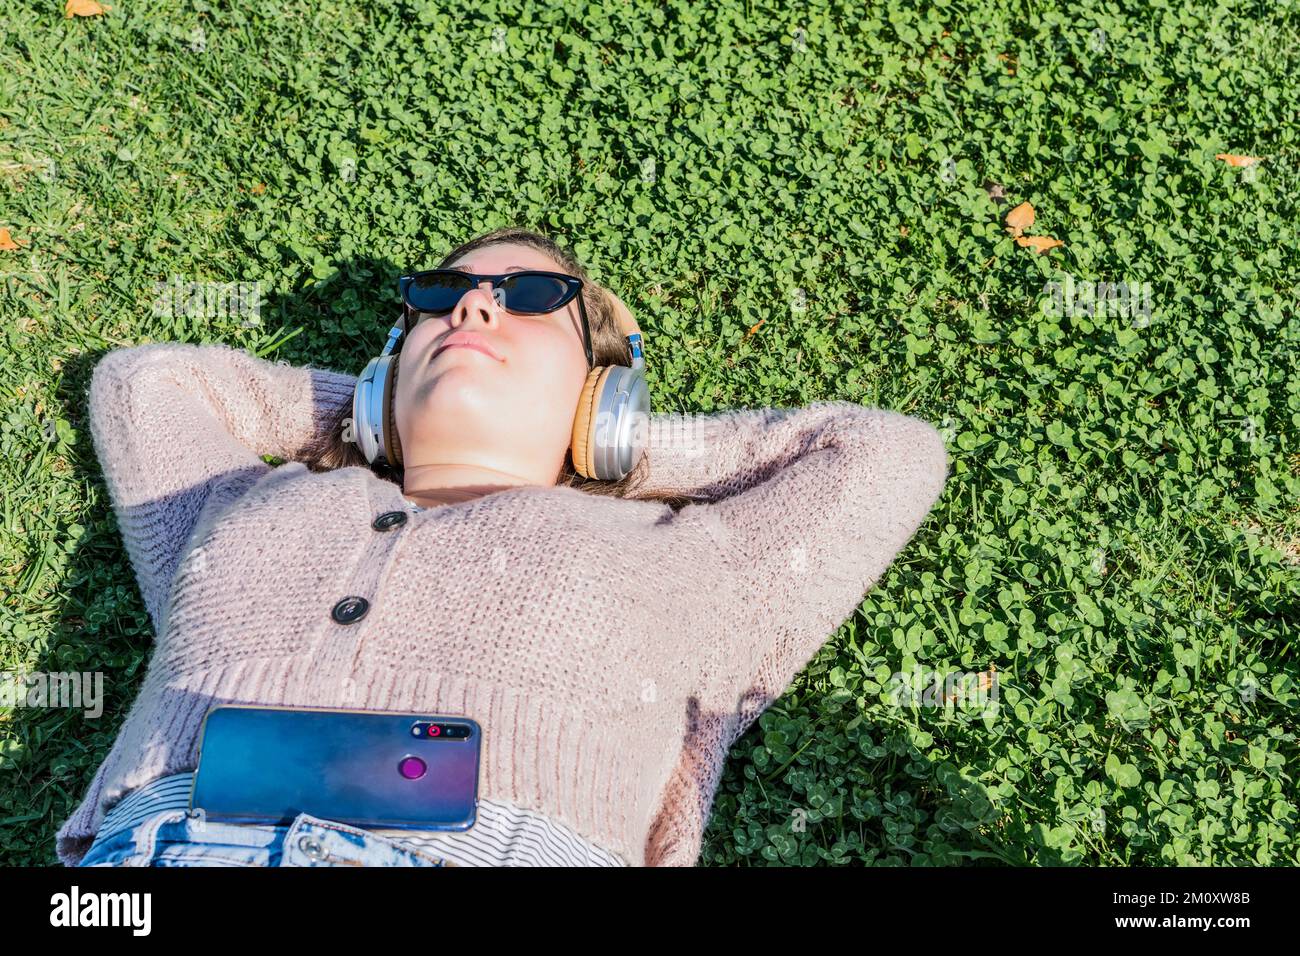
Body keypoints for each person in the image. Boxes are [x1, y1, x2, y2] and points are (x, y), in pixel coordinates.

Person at [57, 226, 950, 867]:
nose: (475, 304)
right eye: (439, 298)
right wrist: (373, 417)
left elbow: (884, 457)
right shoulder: (240, 505)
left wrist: (615, 446)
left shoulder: (685, 561)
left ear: (604, 389)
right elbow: (145, 384)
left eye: (530, 299)